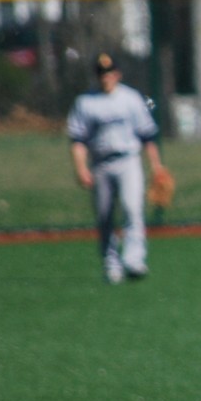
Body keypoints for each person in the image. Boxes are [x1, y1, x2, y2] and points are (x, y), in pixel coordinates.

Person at [66, 52, 168, 284]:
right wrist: (81, 168)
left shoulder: (132, 99)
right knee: (104, 217)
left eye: (110, 72)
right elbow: (78, 140)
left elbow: (147, 135)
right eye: (102, 73)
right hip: (100, 163)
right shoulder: (85, 102)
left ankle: (134, 261)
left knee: (132, 209)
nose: (106, 77)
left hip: (128, 160)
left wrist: (157, 166)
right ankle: (111, 264)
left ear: (118, 74)